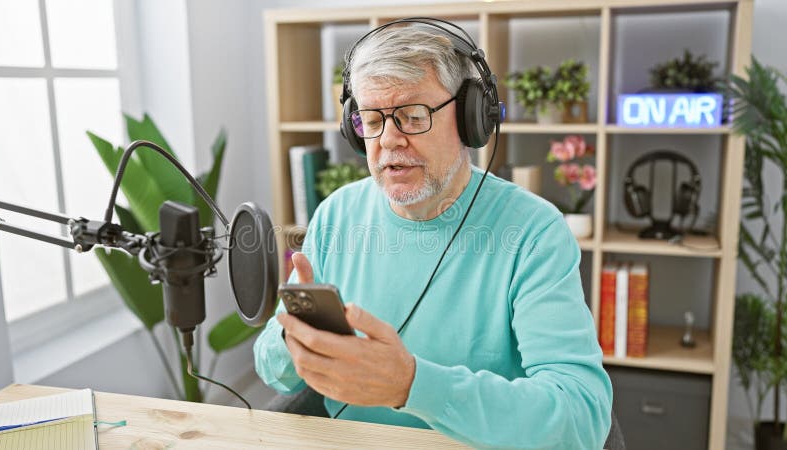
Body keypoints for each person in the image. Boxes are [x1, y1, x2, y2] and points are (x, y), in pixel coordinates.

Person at [255, 22, 612, 449]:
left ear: (469, 119)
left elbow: (581, 418)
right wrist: (296, 335)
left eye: (412, 117)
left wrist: (412, 386)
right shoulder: (337, 213)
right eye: (371, 120)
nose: (389, 140)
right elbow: (271, 367)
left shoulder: (534, 232)